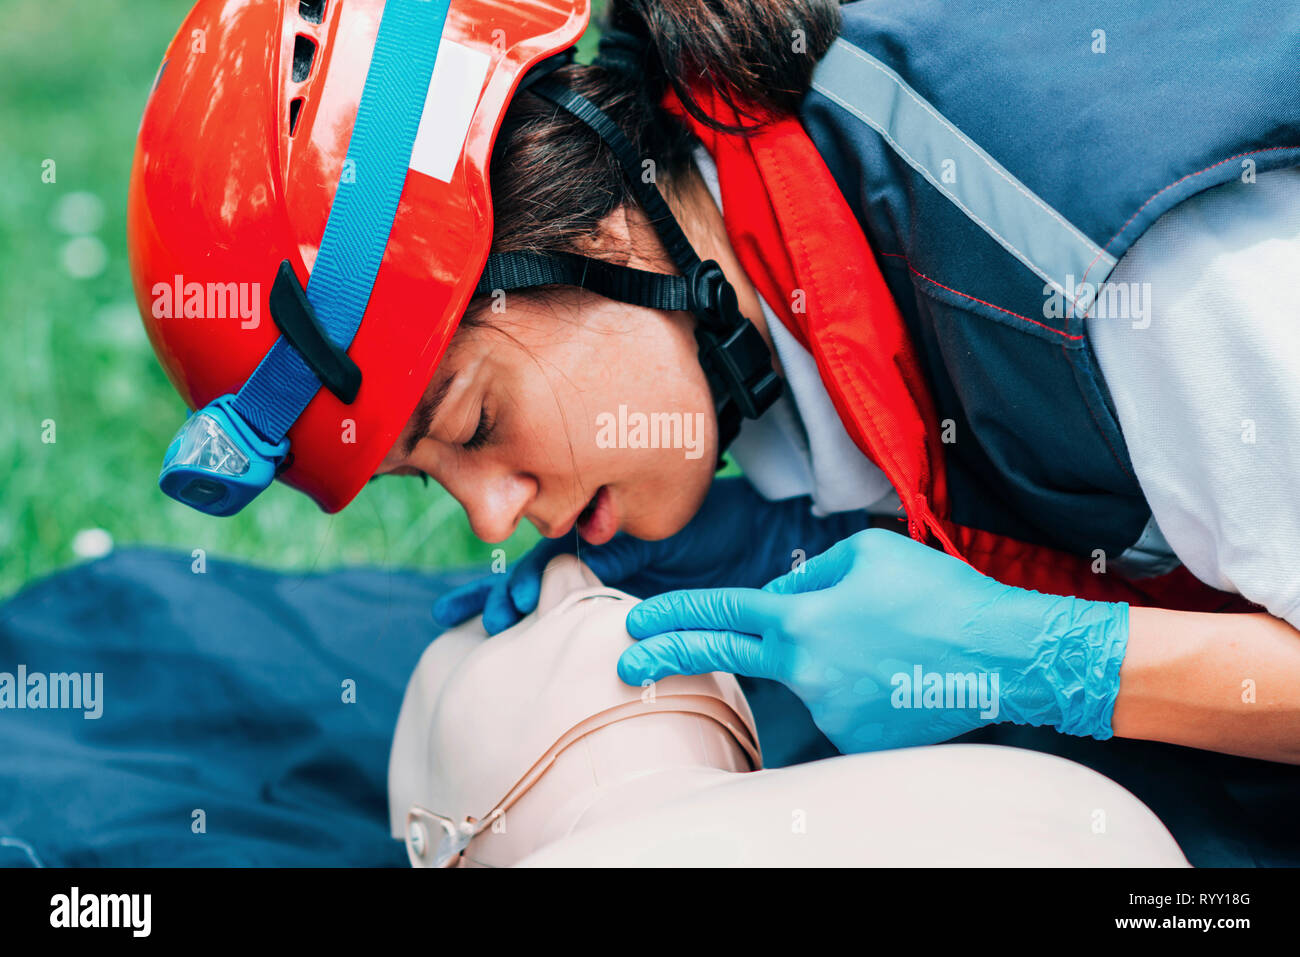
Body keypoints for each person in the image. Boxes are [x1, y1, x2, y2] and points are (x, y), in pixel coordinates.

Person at [129, 0, 1300, 764]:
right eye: (427, 479)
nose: (492, 516)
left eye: (474, 419)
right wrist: (770, 538)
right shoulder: (761, 235)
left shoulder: (1140, 267)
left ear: (587, 227)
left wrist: (1047, 660)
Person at [390, 555, 1187, 867]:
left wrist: (1041, 653)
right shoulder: (1066, 803)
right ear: (444, 841)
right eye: (518, 625)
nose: (568, 570)